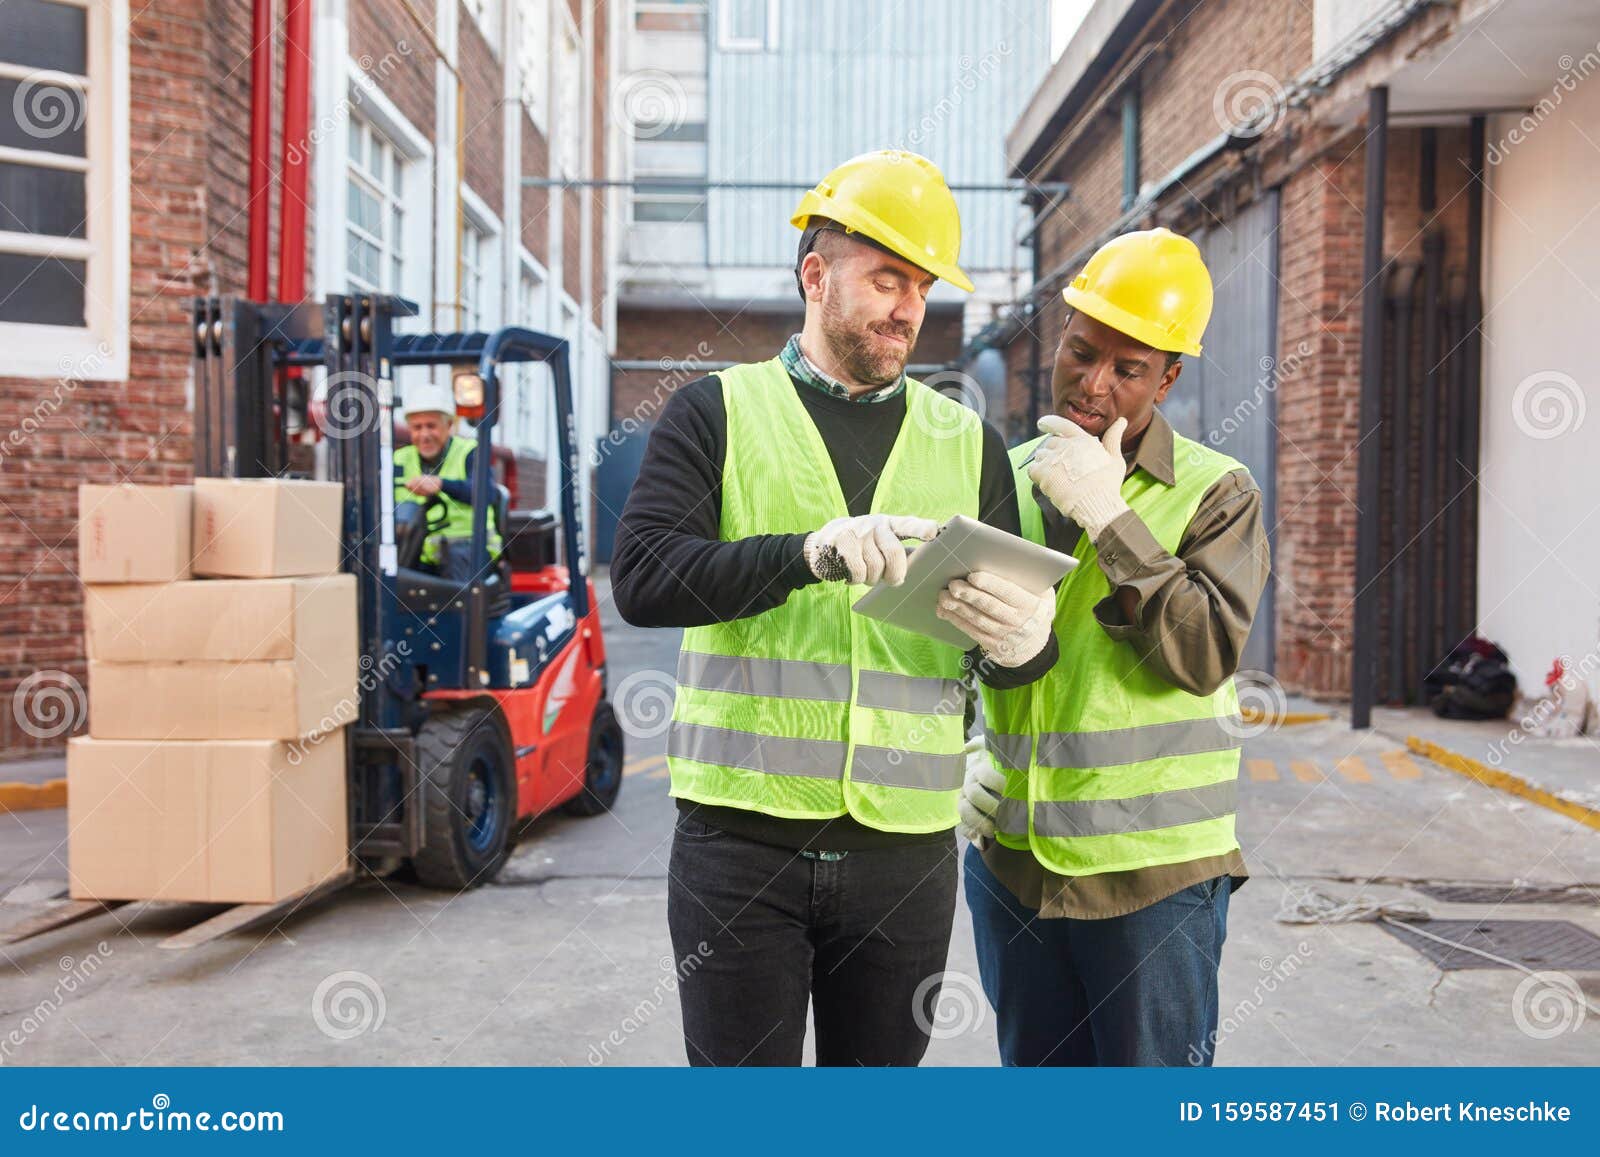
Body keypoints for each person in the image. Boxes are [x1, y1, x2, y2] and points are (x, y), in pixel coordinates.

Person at [611, 150, 1056, 1066]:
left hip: (906, 855)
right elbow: (646, 577)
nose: (906, 309)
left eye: (920, 287)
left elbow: (1014, 651)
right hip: (741, 842)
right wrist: (807, 553)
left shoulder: (968, 442)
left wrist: (1028, 642)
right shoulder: (714, 413)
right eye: (886, 279)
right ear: (816, 275)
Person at [957, 227, 1272, 1067]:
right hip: (1014, 865)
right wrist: (948, 754)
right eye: (1081, 351)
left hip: (1152, 877)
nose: (1094, 385)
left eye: (1128, 370)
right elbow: (947, 639)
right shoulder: (1003, 475)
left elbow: (1204, 649)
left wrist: (1110, 516)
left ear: (1167, 378)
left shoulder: (1218, 491)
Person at [392, 384, 500, 575]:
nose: (424, 435)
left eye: (431, 426)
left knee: (456, 577)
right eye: (417, 427)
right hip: (416, 550)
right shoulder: (399, 459)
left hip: (467, 547)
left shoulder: (469, 452)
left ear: (449, 425)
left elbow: (488, 493)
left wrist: (441, 484)